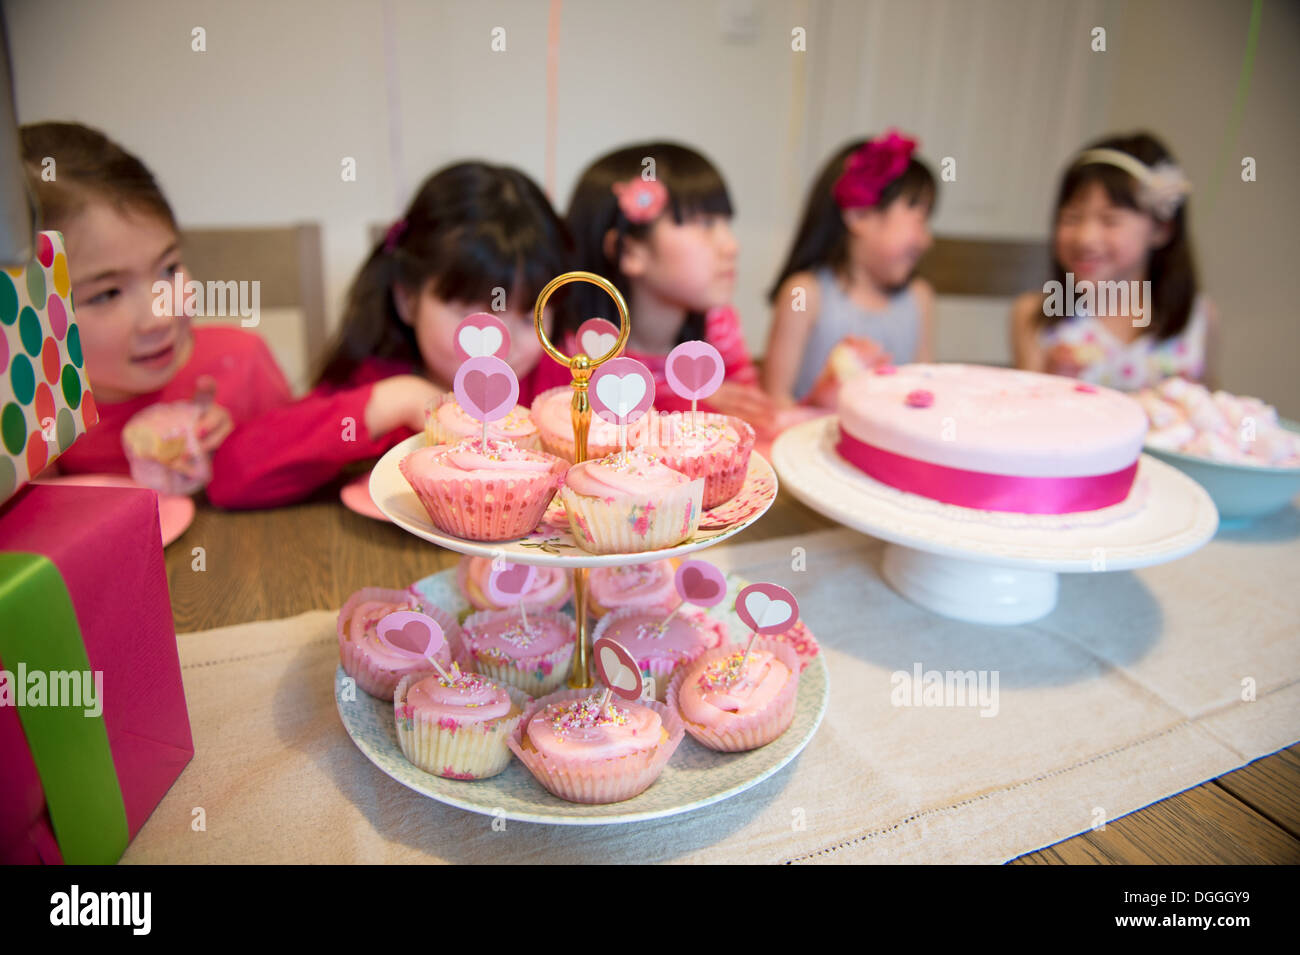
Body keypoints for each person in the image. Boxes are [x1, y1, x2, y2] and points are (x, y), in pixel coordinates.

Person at [209, 161, 574, 507]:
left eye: (530, 317)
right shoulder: (381, 386)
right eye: (473, 315)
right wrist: (395, 401)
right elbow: (232, 475)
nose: (502, 345)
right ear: (407, 299)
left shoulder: (561, 391)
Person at [20, 121, 290, 486]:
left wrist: (244, 450)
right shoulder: (34, 412)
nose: (159, 317)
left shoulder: (244, 365)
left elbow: (299, 466)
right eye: (107, 293)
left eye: (168, 269)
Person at [545, 141, 772, 421]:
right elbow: (585, 432)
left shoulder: (719, 323)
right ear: (628, 251)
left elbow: (752, 416)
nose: (731, 246)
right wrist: (691, 400)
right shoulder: (582, 348)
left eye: (726, 223)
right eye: (705, 223)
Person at [1010, 132, 1216, 390]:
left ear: (1162, 229)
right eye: (1072, 218)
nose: (1085, 238)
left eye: (1110, 220)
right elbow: (1026, 420)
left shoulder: (1198, 318)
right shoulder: (1034, 316)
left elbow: (1212, 409)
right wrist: (1051, 379)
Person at [764, 129, 936, 408]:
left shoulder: (919, 297)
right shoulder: (805, 294)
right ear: (859, 215)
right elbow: (775, 401)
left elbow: (925, 384)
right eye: (918, 219)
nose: (926, 240)